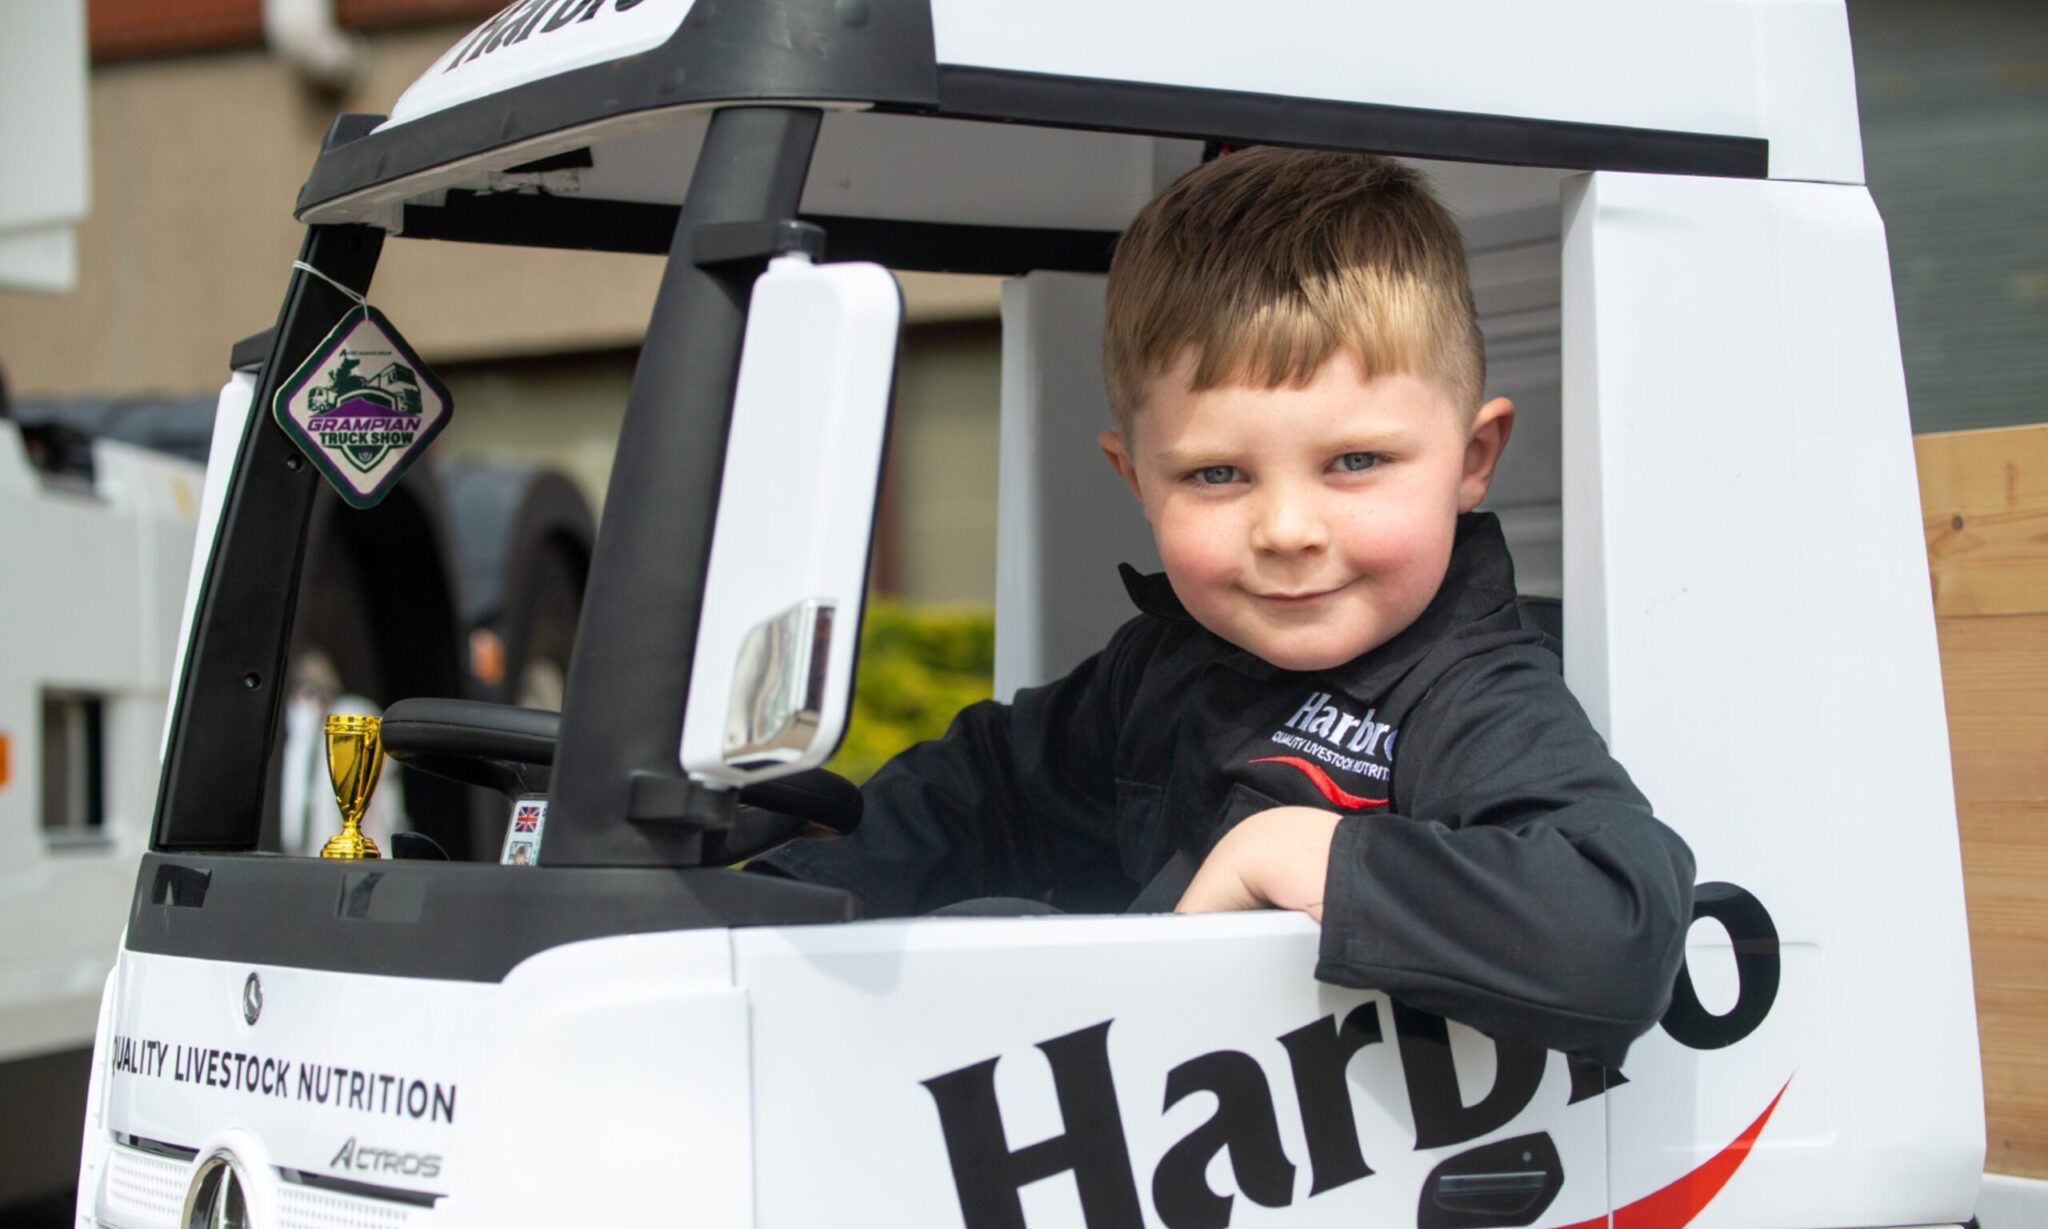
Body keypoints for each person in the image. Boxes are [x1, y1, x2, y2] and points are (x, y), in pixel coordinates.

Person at [760, 147, 1695, 1065]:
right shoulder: (1163, 663)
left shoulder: (1472, 692)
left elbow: (1616, 927)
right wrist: (773, 908)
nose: (1287, 529)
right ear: (1135, 480)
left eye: (1356, 461)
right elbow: (981, 793)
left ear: (1474, 458)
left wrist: (1294, 852)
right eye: (1217, 473)